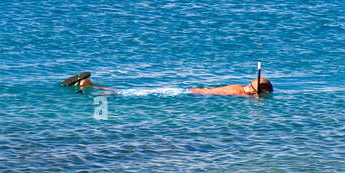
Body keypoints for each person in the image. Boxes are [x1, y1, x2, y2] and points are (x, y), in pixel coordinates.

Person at [60, 70, 273, 96]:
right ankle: (89, 86)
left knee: (131, 91)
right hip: (187, 94)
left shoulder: (238, 86)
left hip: (189, 90)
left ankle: (92, 86)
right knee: (131, 94)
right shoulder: (240, 93)